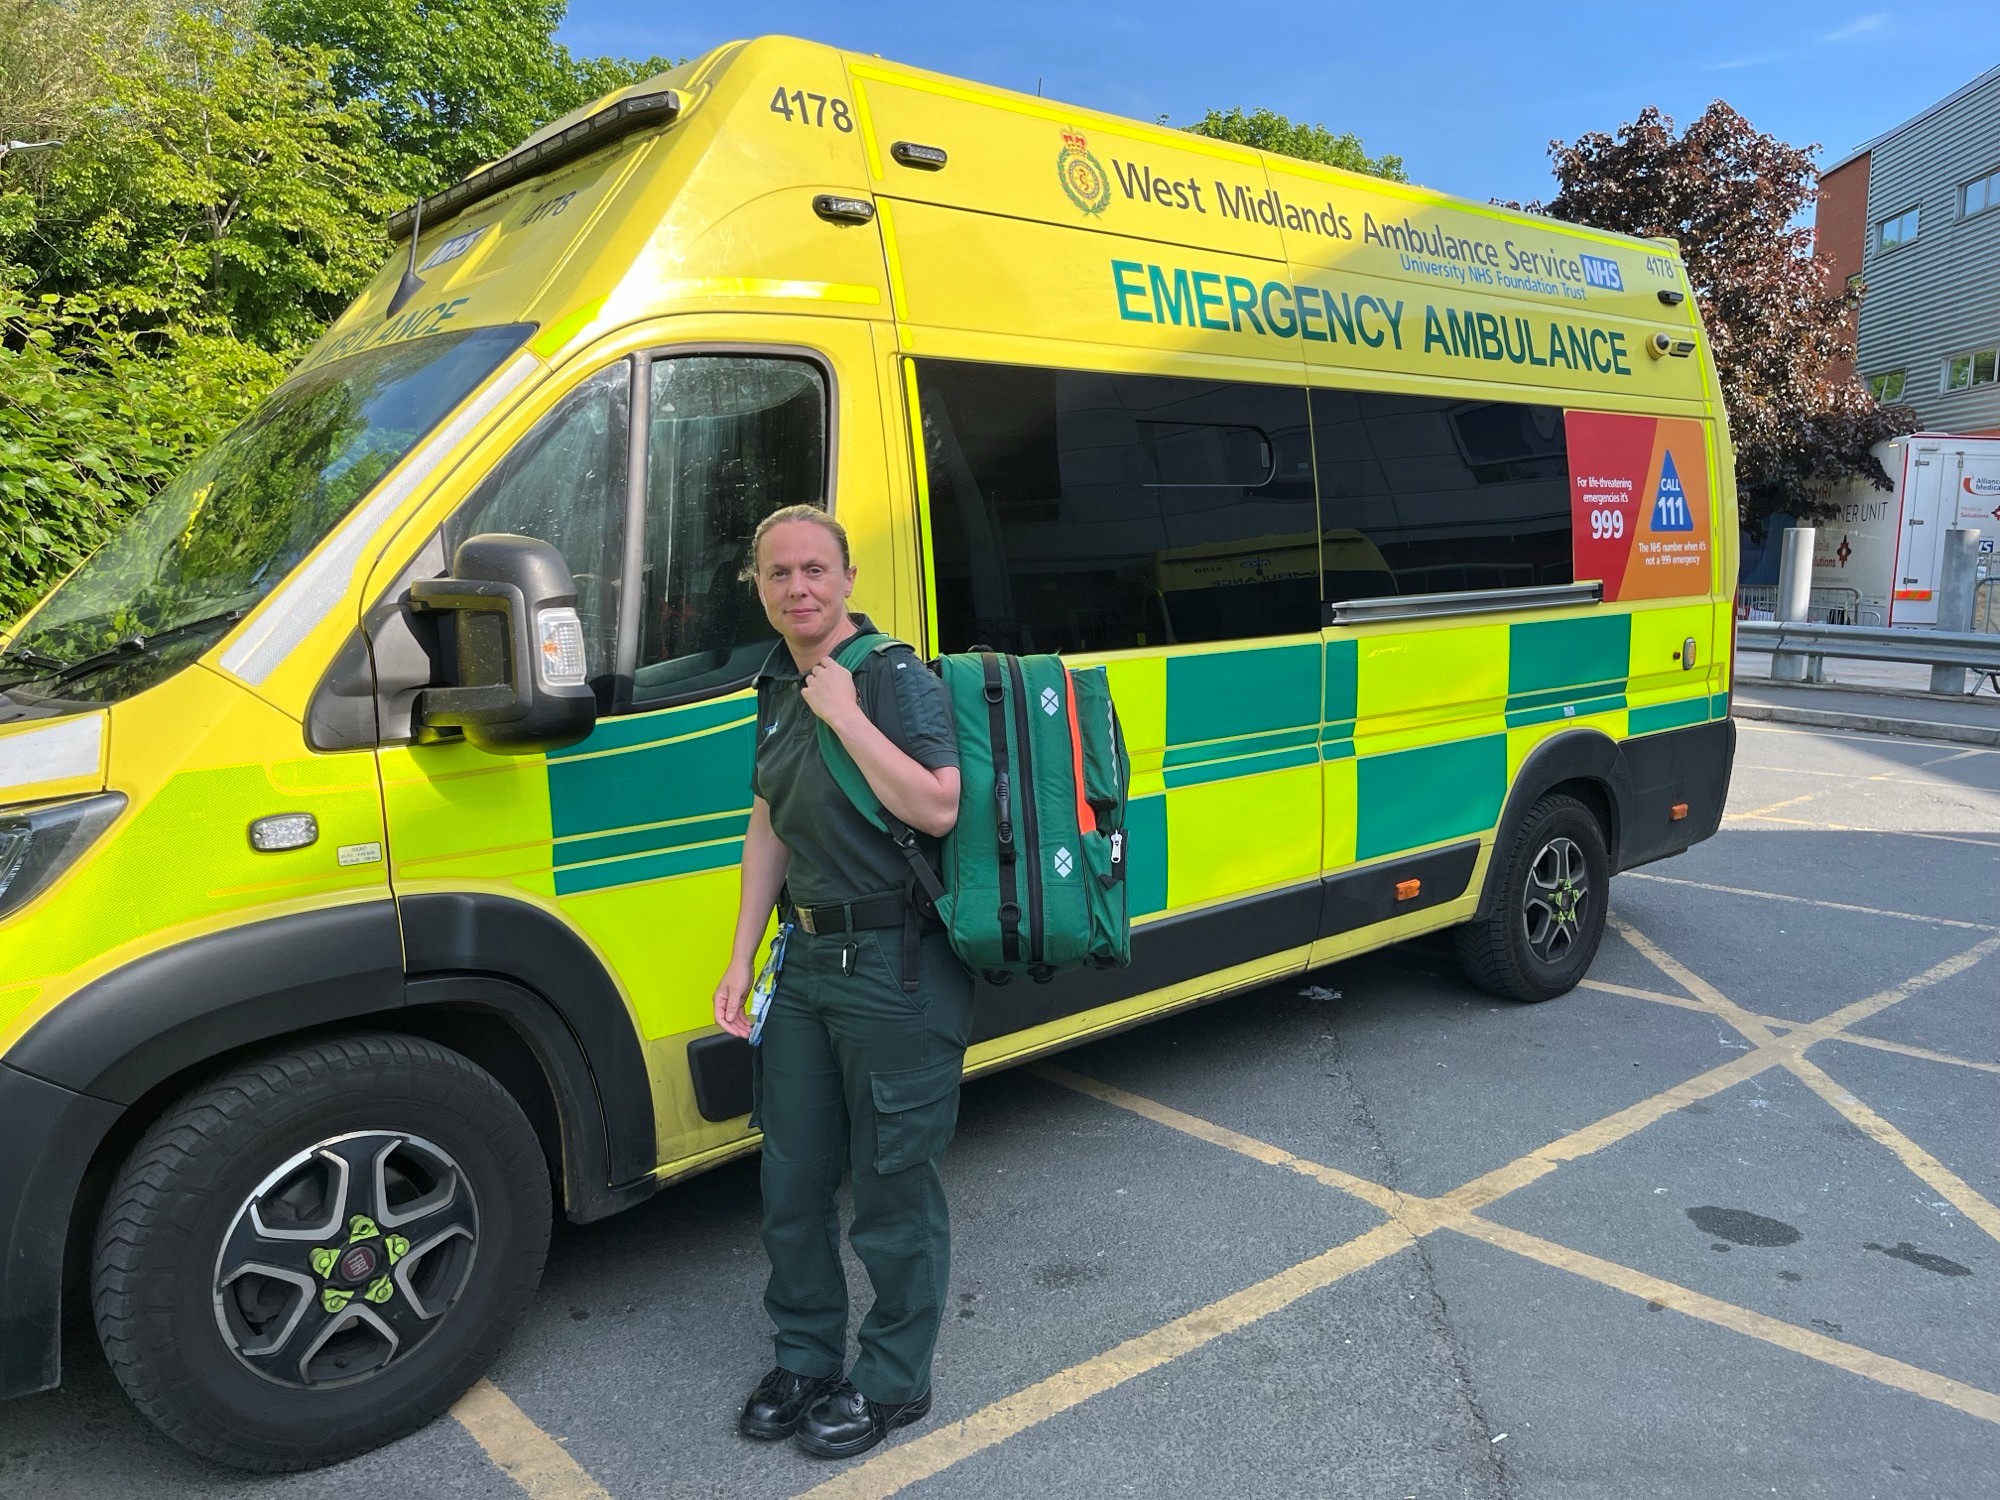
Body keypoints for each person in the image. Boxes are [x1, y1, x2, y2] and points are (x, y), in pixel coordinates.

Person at [713, 504, 974, 1460]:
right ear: (761, 585)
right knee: (791, 1175)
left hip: (895, 968)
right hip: (808, 962)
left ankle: (894, 1379)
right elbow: (769, 823)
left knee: (893, 1183)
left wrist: (848, 717)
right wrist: (741, 955)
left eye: (815, 570)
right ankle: (807, 1355)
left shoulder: (892, 676)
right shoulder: (777, 680)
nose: (799, 588)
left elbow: (938, 806)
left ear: (848, 578)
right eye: (778, 574)